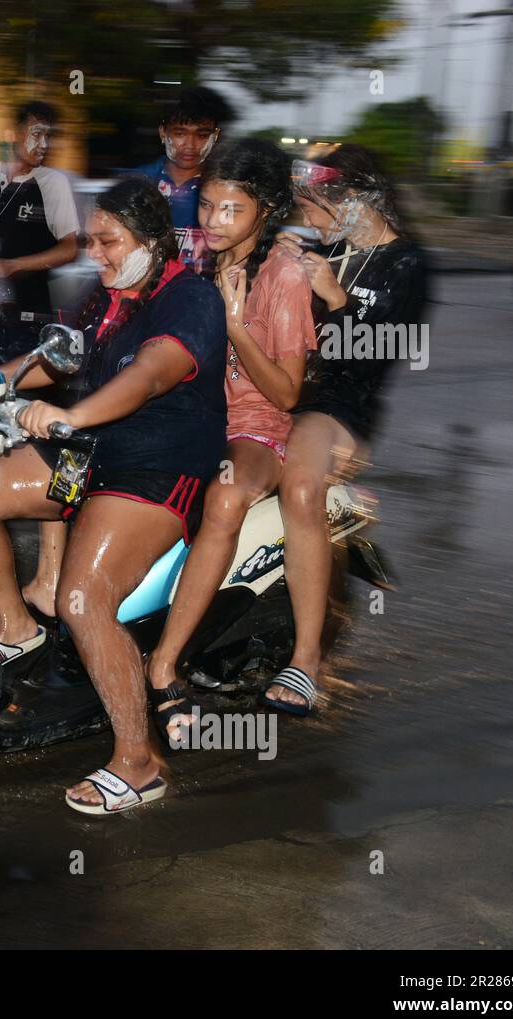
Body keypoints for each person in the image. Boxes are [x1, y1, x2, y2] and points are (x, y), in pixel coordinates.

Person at [0, 177, 227, 814]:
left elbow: (151, 375)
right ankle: (15, 625)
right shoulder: (109, 295)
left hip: (156, 465)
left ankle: (139, 762)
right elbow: (58, 358)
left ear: (151, 241)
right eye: (92, 239)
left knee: (84, 598)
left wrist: (77, 417)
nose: (96, 252)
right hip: (93, 450)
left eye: (109, 240)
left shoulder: (190, 297)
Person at [143, 139, 317, 741]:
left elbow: (287, 393)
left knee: (222, 498)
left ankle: (163, 664)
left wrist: (238, 325)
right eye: (208, 206)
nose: (212, 221)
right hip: (203, 412)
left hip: (256, 426)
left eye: (230, 210)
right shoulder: (206, 259)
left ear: (265, 209)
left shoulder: (285, 275)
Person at [262, 144, 428, 715]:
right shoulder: (325, 250)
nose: (307, 220)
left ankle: (305, 661)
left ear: (354, 200)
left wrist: (336, 301)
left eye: (314, 208)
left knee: (301, 488)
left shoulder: (407, 263)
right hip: (286, 394)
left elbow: (382, 353)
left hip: (343, 411)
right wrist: (272, 261)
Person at [0, 99, 80, 366]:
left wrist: (13, 266)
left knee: (24, 399)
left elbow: (70, 248)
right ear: (12, 135)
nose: (44, 145)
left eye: (50, 136)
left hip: (32, 319)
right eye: (37, 134)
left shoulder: (53, 184)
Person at [133, 86, 233, 273]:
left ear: (215, 136)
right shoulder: (139, 184)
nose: (190, 145)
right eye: (180, 133)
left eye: (202, 135)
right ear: (163, 132)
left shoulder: (227, 191)